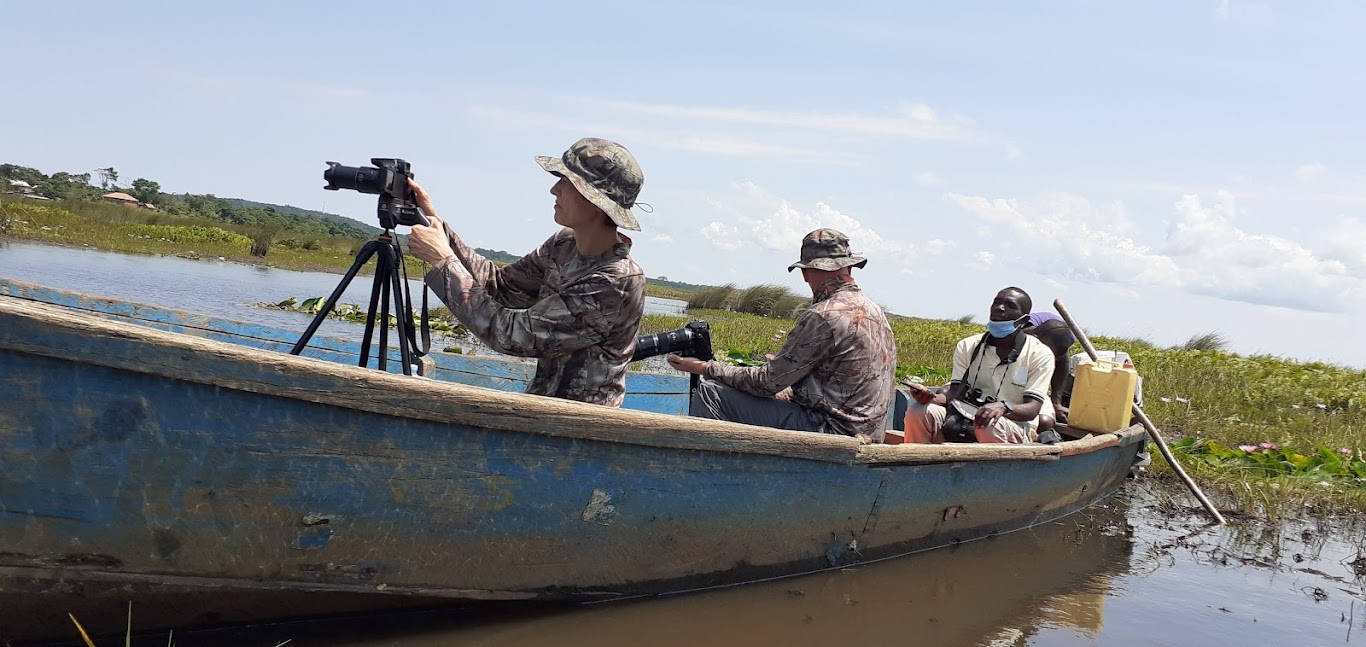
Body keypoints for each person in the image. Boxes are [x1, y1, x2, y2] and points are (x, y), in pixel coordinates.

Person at [406, 137, 647, 407]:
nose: (554, 190)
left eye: (566, 182)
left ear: (595, 201)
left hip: (581, 428)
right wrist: (435, 223)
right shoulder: (564, 244)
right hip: (542, 410)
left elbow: (510, 335)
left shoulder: (616, 281)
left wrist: (443, 260)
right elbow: (499, 287)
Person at [664, 229, 897, 443]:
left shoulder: (824, 316)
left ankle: (706, 476)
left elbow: (764, 383)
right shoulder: (876, 312)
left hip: (834, 434)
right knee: (777, 395)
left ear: (807, 272)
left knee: (711, 394)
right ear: (849, 268)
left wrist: (704, 367)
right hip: (866, 434)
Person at [903, 287, 1055, 444]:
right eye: (996, 302)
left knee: (988, 422)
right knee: (918, 411)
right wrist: (931, 398)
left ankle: (990, 468)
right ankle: (916, 465)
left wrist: (1004, 407)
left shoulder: (1039, 354)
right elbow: (955, 392)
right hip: (963, 417)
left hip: (1011, 425)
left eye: (1010, 305)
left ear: (1023, 320)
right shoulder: (968, 346)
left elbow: (1033, 408)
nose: (999, 308)